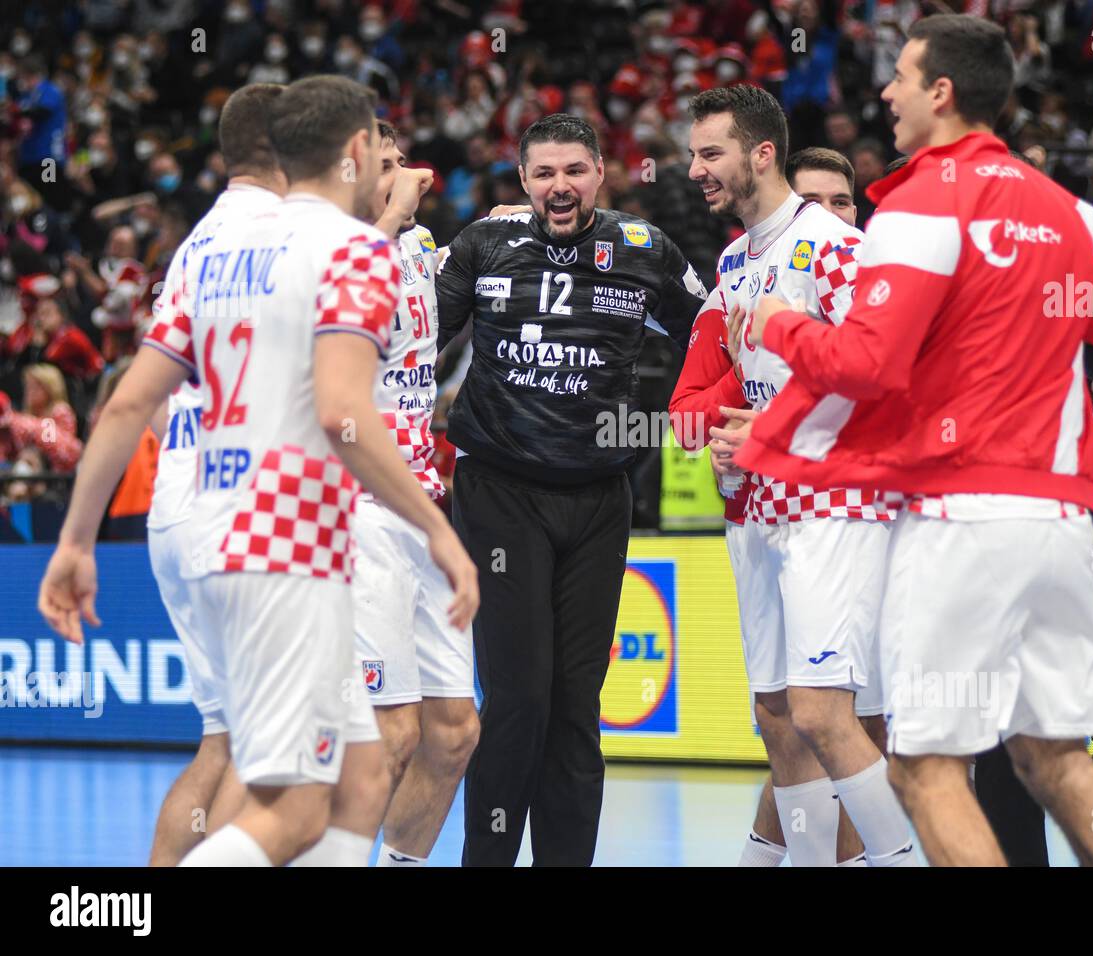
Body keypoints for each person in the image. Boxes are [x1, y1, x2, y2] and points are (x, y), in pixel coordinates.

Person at [735, 15, 1093, 866]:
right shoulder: (1073, 217)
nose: (884, 92)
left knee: (925, 767)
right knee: (1053, 755)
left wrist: (785, 323)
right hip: (1062, 527)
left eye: (900, 77)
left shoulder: (919, 204)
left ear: (941, 93)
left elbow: (866, 362)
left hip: (956, 523)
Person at [38, 75, 478, 868]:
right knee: (292, 804)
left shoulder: (211, 246)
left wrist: (77, 540)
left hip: (214, 528)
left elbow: (128, 405)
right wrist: (436, 526)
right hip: (291, 542)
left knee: (363, 766)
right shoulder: (355, 250)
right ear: (354, 152)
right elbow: (346, 415)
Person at [435, 112, 706, 866]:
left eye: (575, 171)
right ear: (523, 182)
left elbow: (711, 334)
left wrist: (705, 416)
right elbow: (413, 344)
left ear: (601, 174)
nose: (561, 186)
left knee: (576, 706)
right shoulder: (483, 244)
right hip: (499, 493)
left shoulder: (644, 250)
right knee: (519, 698)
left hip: (597, 500)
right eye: (544, 173)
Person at [690, 85, 917, 868]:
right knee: (779, 716)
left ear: (761, 153)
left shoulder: (833, 246)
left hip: (833, 500)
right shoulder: (732, 258)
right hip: (760, 507)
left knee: (824, 714)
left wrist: (773, 428)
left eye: (710, 153)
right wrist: (733, 439)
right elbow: (751, 388)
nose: (694, 170)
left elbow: (880, 370)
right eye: (691, 154)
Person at [142, 82, 289, 868]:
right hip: (238, 517)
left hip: (177, 503)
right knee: (276, 763)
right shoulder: (287, 233)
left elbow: (150, 392)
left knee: (224, 741)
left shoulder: (197, 241)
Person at [351, 122, 480, 869]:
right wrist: (392, 211)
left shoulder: (417, 246)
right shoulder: (331, 252)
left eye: (401, 165)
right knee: (390, 733)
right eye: (380, 168)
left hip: (424, 509)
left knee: (454, 731)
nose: (399, 178)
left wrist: (500, 230)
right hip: (356, 509)